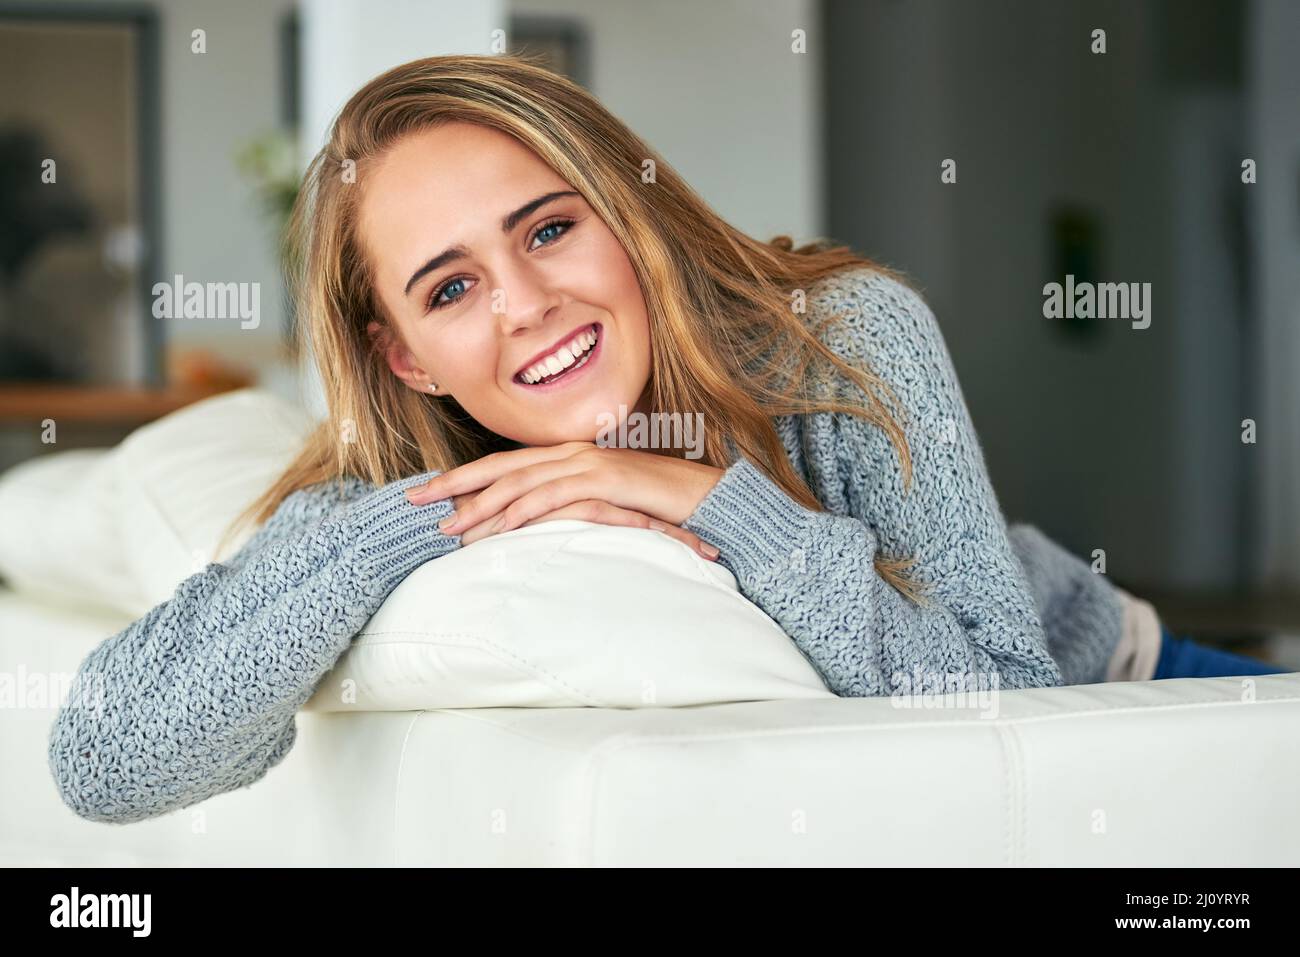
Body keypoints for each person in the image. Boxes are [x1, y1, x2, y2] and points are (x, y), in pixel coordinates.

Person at [47, 54, 1285, 825]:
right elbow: (105, 761)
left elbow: (1006, 700)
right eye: (449, 287)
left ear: (626, 216)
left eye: (546, 230)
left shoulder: (841, 338)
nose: (526, 305)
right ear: (404, 356)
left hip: (1133, 687)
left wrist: (711, 500)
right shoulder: (404, 498)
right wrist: (411, 526)